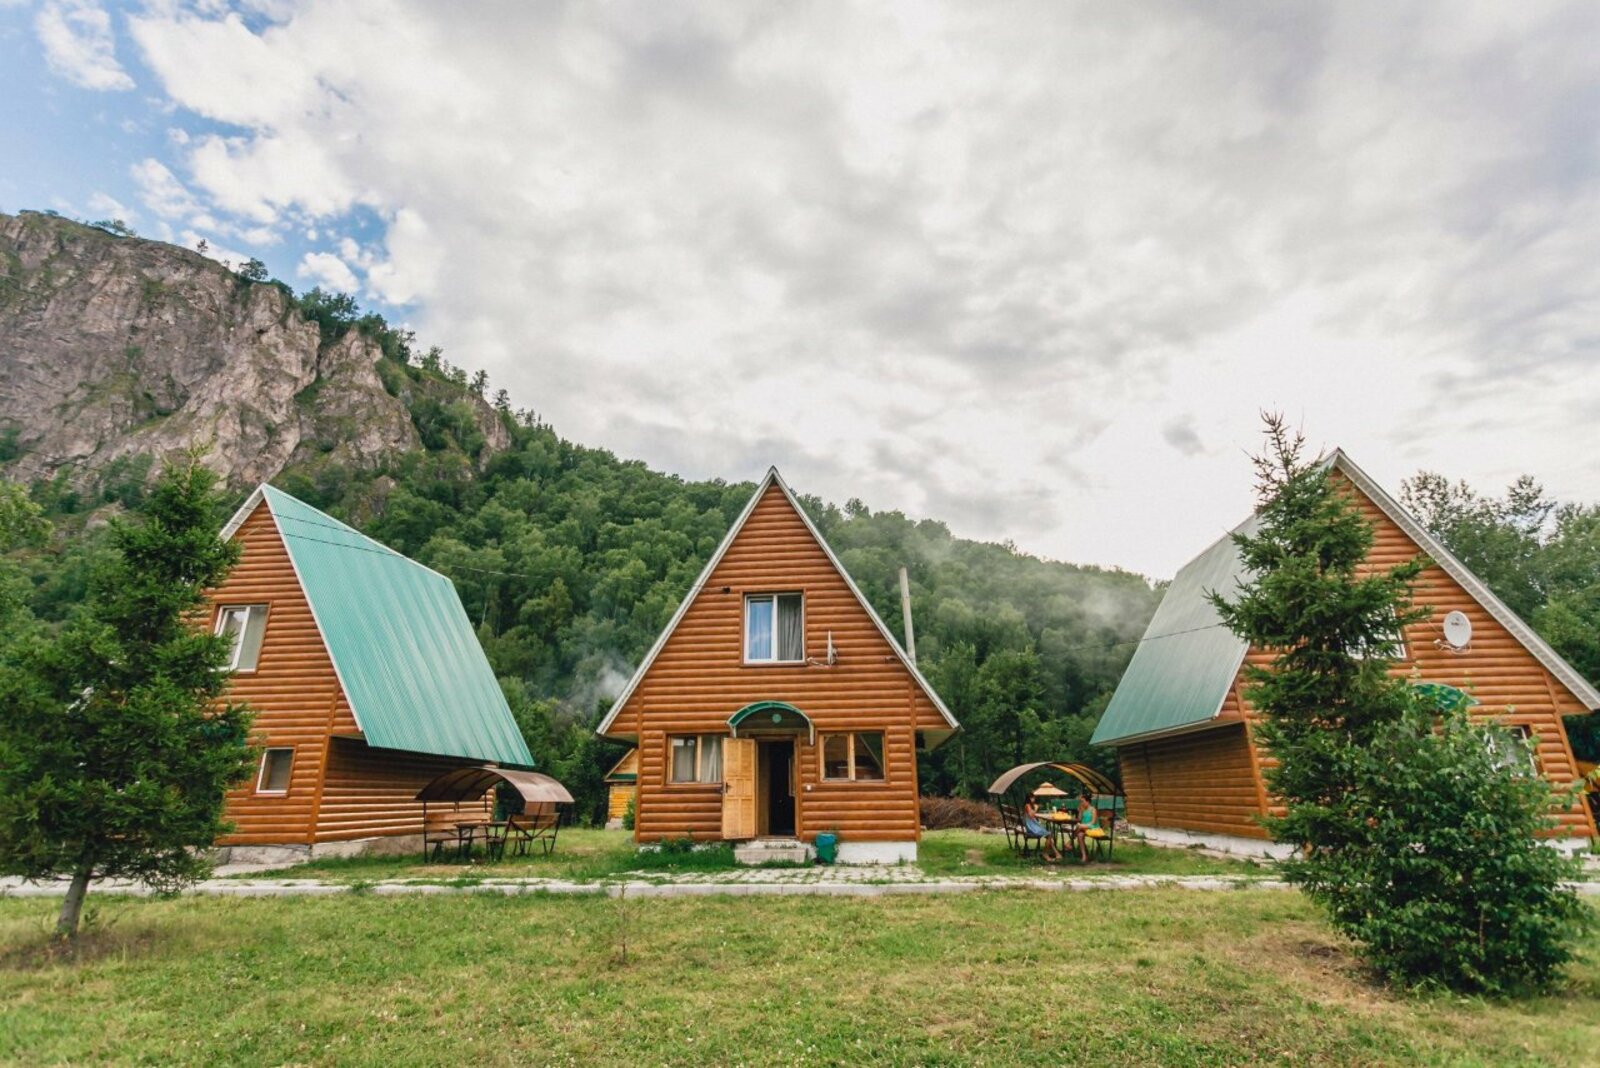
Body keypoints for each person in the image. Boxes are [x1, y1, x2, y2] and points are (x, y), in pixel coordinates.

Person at [1023, 797, 1061, 862]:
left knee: (1049, 835)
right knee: (1049, 834)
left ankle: (1057, 853)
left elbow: (1033, 815)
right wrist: (1036, 808)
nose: (1034, 799)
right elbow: (1031, 815)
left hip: (1033, 825)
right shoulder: (1027, 805)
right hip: (1032, 827)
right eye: (1032, 798)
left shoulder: (1029, 805)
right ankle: (1045, 853)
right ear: (1029, 798)